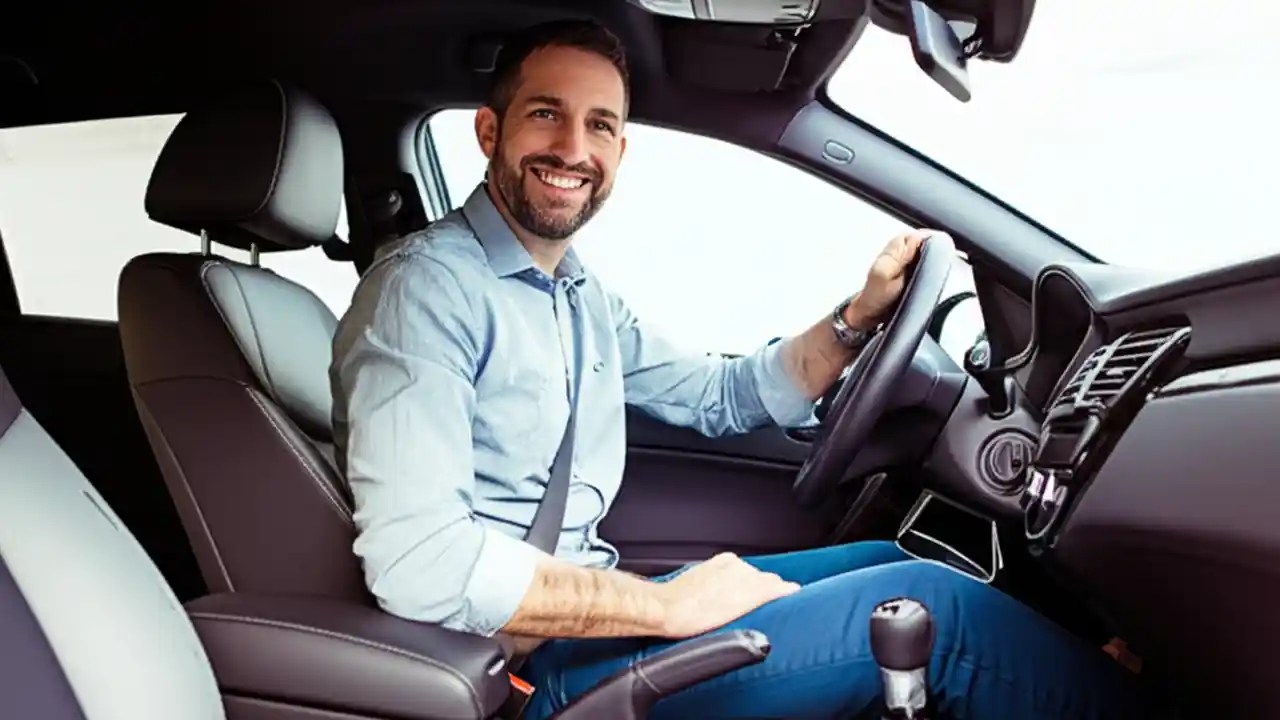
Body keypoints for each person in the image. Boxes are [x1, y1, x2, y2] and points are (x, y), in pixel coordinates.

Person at [330, 19, 1160, 720]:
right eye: (546, 115)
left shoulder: (571, 293)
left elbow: (719, 396)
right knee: (937, 617)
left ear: (621, 148)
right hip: (524, 673)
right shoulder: (423, 294)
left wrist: (854, 319)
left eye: (601, 125)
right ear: (490, 132)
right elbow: (421, 566)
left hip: (585, 619)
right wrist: (662, 605)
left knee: (898, 569)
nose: (573, 148)